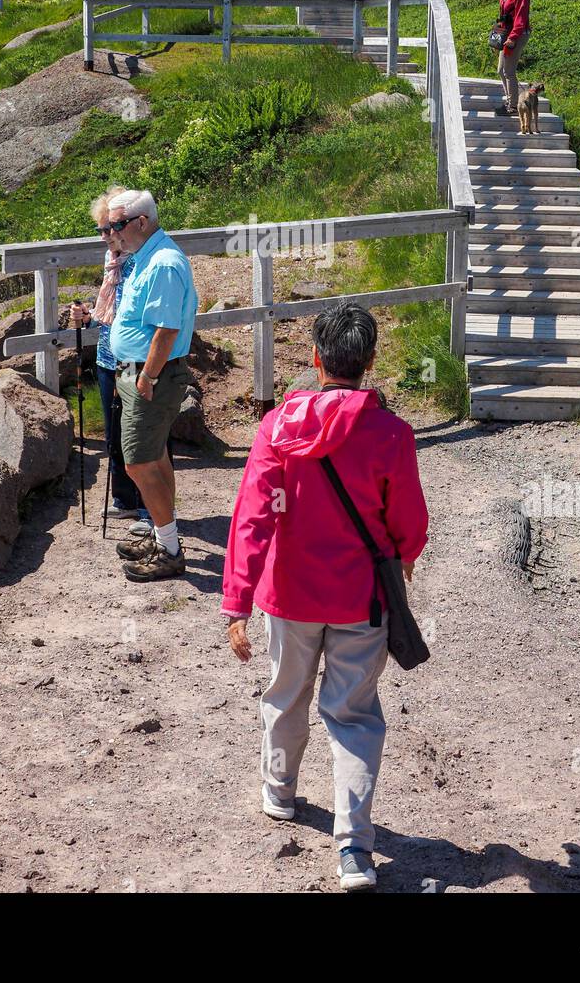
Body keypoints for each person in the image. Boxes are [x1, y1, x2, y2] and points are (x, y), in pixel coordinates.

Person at [222, 304, 429, 891]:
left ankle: (280, 793)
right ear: (370, 362)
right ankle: (354, 850)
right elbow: (408, 520)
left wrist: (238, 601)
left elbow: (251, 520)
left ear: (316, 360)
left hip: (288, 597)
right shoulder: (392, 434)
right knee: (354, 716)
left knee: (285, 694)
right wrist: (405, 559)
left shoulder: (277, 431)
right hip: (361, 601)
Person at [103, 189, 197, 582]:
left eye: (117, 225)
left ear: (141, 222)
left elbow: (166, 329)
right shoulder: (144, 257)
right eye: (108, 226)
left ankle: (170, 551)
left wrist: (147, 376)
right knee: (154, 454)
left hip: (149, 372)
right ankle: (164, 536)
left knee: (139, 461)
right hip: (133, 368)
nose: (112, 233)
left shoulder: (162, 263)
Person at [72, 188, 171, 538]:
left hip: (133, 361)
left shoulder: (141, 257)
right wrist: (88, 317)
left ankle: (150, 509)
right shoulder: (111, 262)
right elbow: (112, 313)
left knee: (143, 437)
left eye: (109, 229)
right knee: (115, 432)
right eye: (101, 230)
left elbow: (144, 315)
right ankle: (125, 499)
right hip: (106, 356)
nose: (106, 237)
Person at [496, 0, 531, 116]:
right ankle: (511, 101)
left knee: (509, 71)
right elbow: (503, 17)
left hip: (517, 34)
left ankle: (513, 107)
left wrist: (513, 37)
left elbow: (521, 17)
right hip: (506, 34)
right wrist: (498, 34)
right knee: (500, 70)